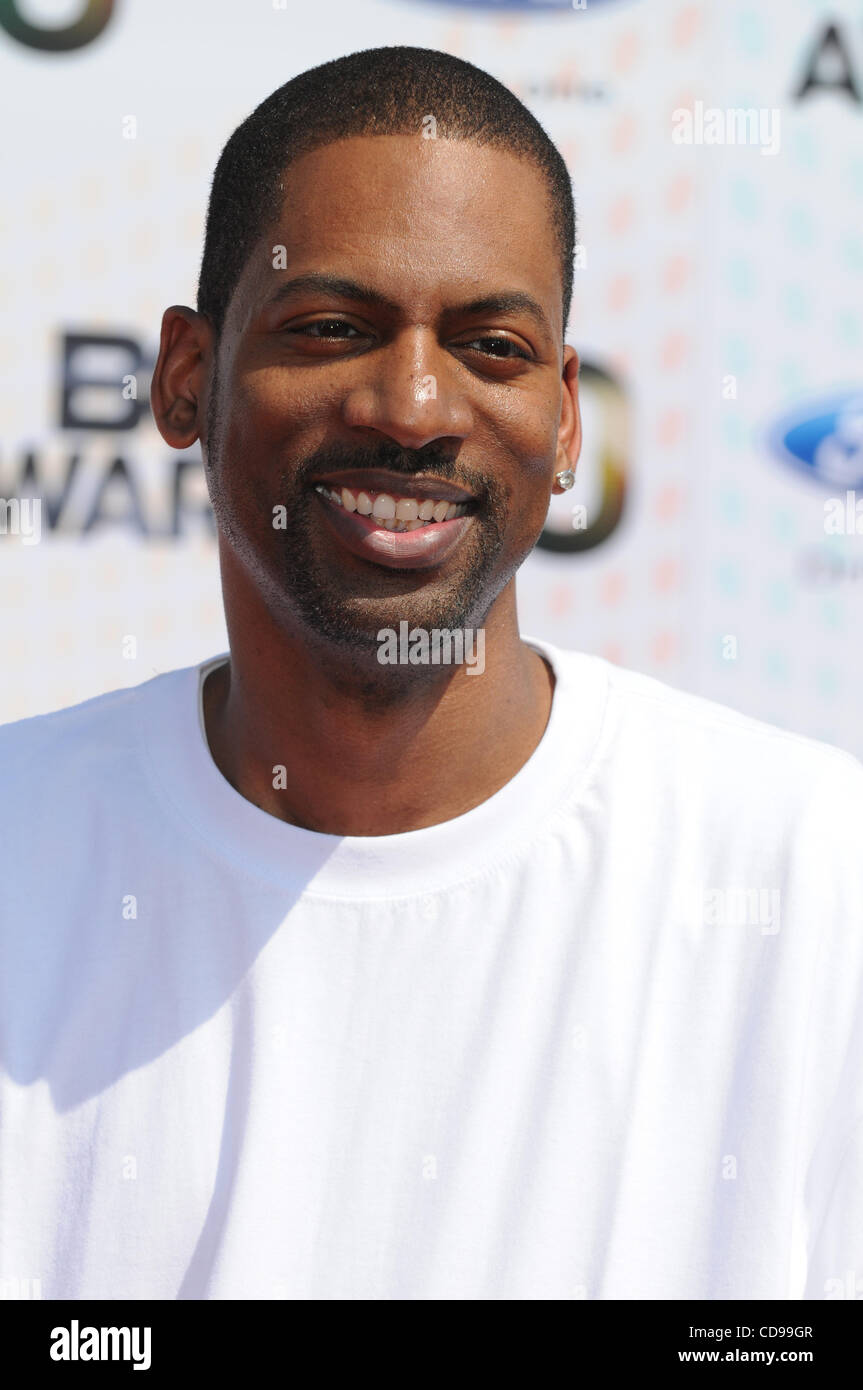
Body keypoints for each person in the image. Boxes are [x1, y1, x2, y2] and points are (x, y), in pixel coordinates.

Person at [1, 46, 861, 1302]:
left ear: (564, 421)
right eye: (332, 328)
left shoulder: (814, 884)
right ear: (187, 378)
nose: (410, 408)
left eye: (488, 346)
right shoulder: (19, 848)